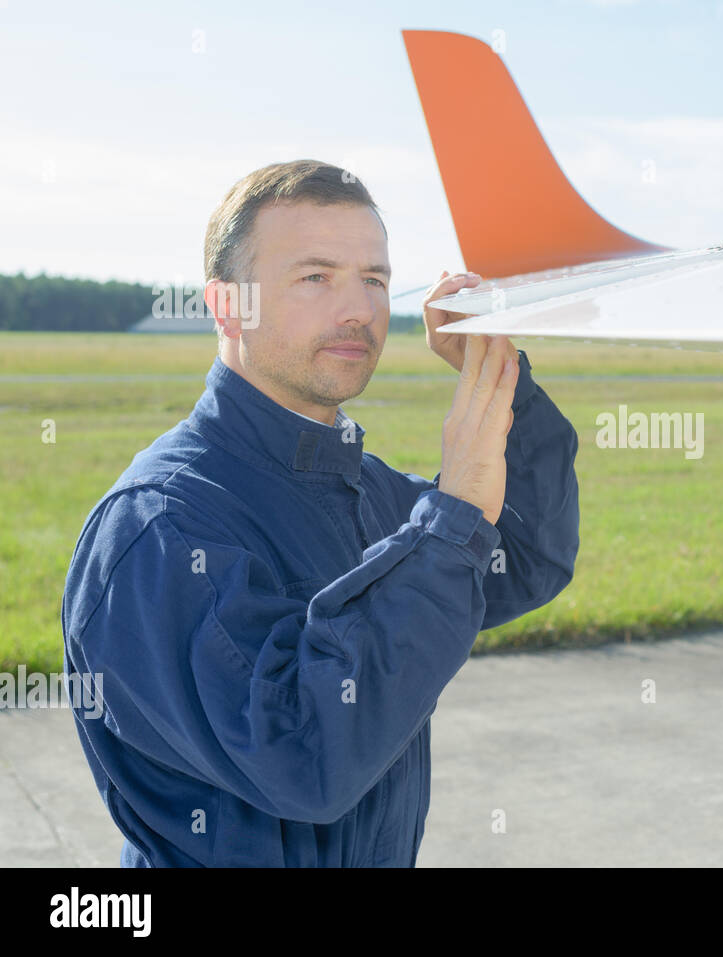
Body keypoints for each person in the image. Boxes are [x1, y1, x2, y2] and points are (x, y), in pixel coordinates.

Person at [61, 160, 580, 866]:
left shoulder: (364, 490)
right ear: (227, 305)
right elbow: (304, 755)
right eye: (316, 276)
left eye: (374, 278)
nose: (359, 309)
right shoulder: (160, 529)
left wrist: (498, 380)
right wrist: (450, 513)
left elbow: (524, 559)